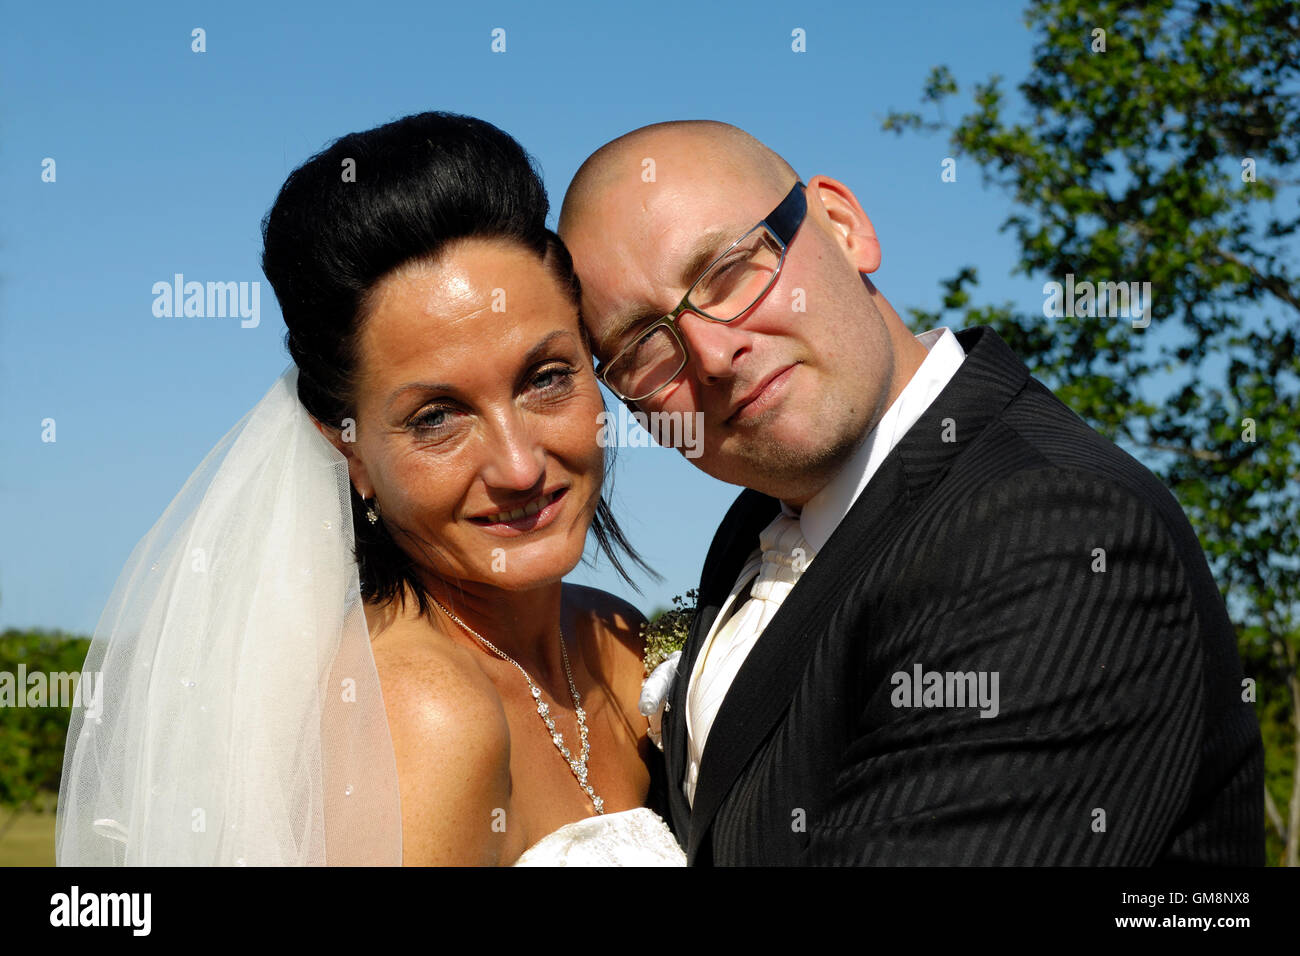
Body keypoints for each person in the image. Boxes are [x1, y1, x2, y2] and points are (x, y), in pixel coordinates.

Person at [558, 119, 1265, 866]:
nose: (712, 353)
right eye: (645, 348)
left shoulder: (1053, 534)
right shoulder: (752, 528)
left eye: (730, 273)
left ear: (842, 225)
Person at [55, 112, 685, 866]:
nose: (519, 465)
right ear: (346, 449)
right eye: (437, 418)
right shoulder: (422, 711)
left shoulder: (619, 645)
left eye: (546, 379)